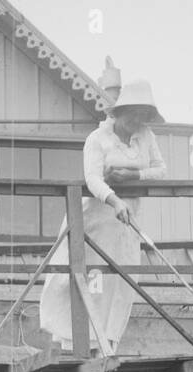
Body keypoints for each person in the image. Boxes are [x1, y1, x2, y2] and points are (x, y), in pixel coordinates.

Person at [39, 79, 168, 355]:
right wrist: (115, 199)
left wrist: (134, 176)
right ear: (119, 111)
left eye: (143, 115)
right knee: (81, 278)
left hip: (124, 222)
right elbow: (93, 179)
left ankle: (107, 345)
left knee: (119, 280)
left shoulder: (146, 137)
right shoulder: (97, 139)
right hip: (95, 219)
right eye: (133, 113)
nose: (137, 120)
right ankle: (76, 345)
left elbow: (160, 169)